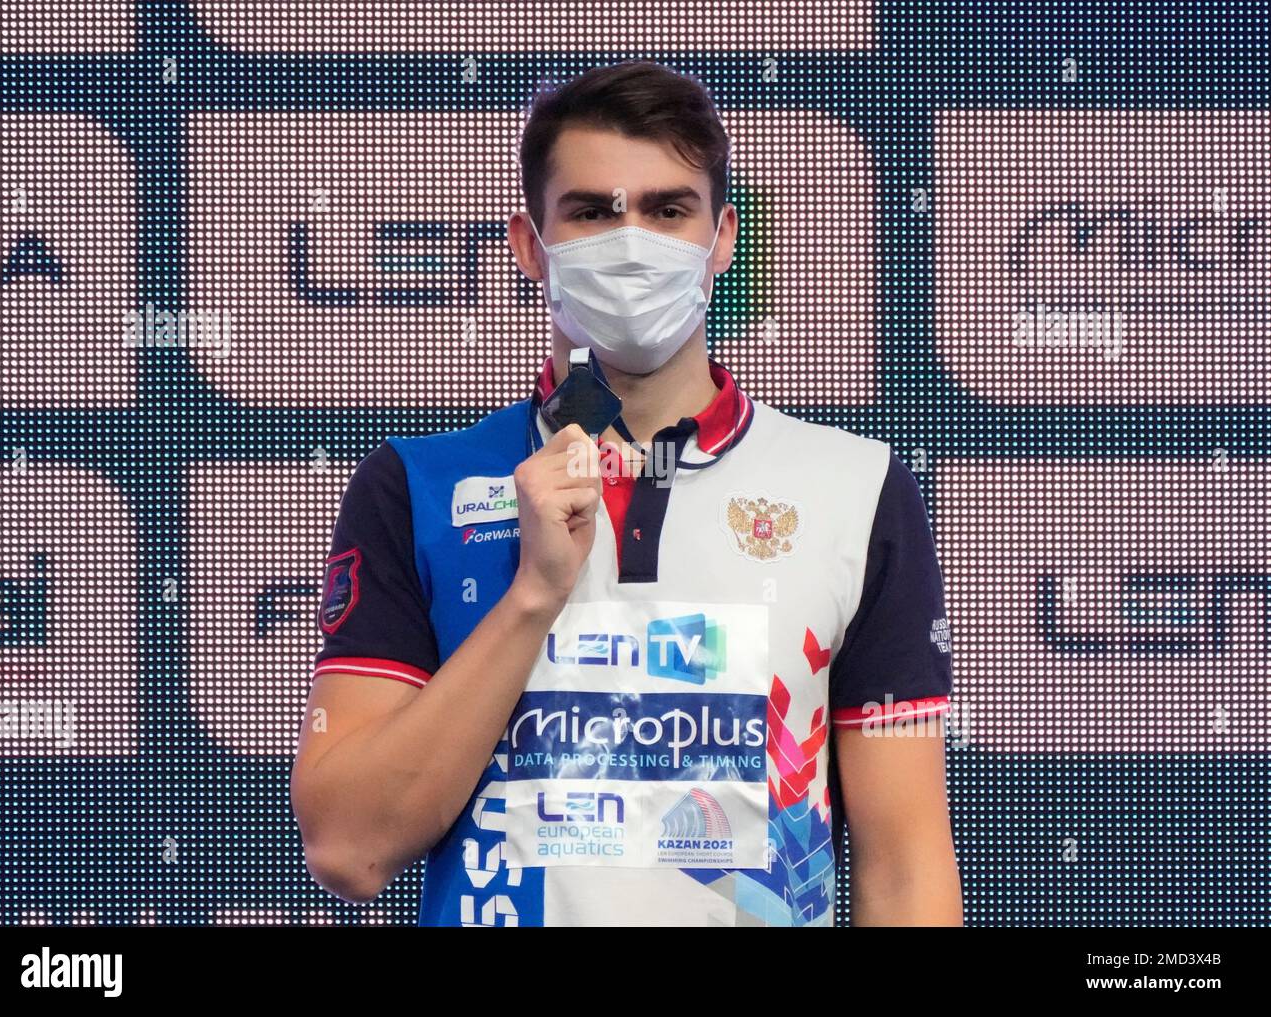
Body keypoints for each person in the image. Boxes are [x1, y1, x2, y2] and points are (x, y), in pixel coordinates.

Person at [291, 59, 962, 927]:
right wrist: (533, 595)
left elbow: (905, 868)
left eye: (667, 209)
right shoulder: (417, 486)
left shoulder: (856, 489)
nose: (632, 239)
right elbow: (348, 847)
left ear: (722, 239)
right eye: (593, 212)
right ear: (530, 244)